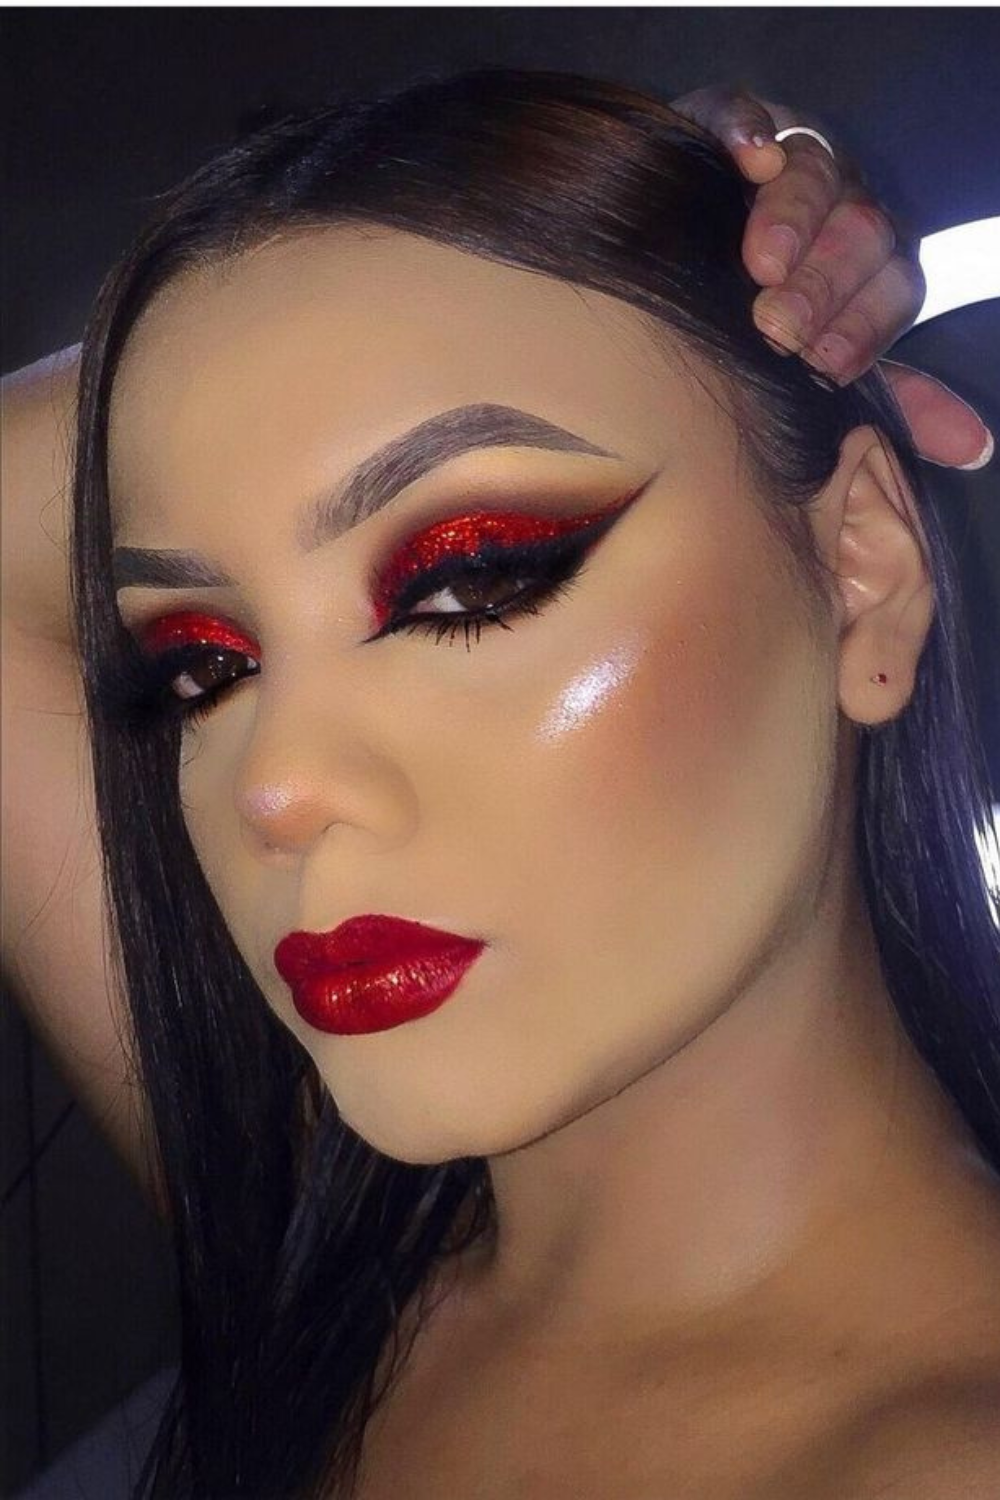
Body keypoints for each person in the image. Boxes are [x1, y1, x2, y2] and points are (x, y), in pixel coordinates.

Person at [5, 68, 1000, 1498]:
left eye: (466, 583)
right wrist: (547, 202)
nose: (278, 788)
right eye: (205, 667)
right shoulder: (332, 1266)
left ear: (864, 569)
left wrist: (638, 248)